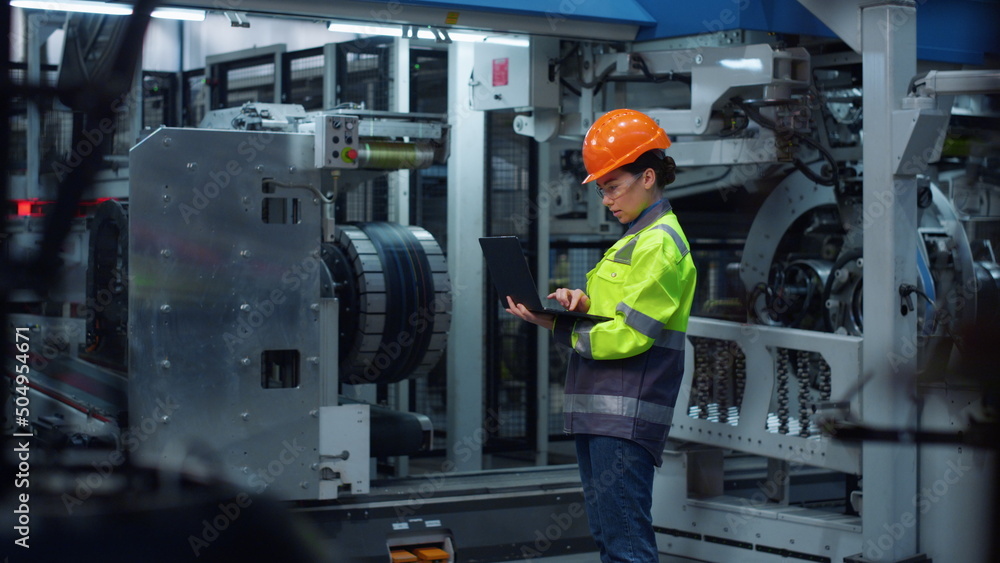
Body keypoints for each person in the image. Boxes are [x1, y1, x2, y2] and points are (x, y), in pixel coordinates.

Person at [505, 108, 697, 562]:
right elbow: (617, 310)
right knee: (611, 538)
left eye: (613, 186)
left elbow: (631, 335)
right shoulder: (636, 239)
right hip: (604, 412)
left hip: (625, 416)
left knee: (626, 544)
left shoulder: (659, 245)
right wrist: (579, 302)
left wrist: (557, 323)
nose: (607, 199)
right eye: (603, 189)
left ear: (647, 176)